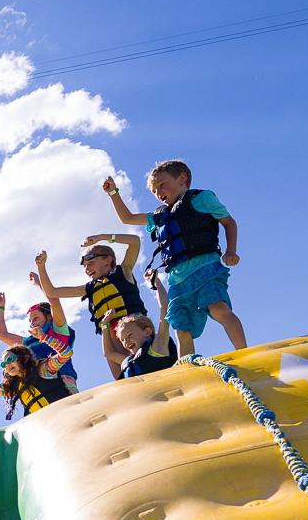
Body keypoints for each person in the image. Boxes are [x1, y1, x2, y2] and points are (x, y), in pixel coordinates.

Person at [101, 160, 247, 355]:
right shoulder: (159, 215)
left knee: (218, 308)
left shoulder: (201, 198)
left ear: (182, 179)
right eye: (154, 191)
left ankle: (244, 351)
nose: (158, 192)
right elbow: (128, 218)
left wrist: (231, 250)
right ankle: (187, 365)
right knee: (181, 327)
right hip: (177, 279)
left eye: (162, 185)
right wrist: (113, 193)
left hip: (206, 267)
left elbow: (229, 222)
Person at [33, 238, 147, 347]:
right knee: (118, 358)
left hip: (134, 326)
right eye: (84, 266)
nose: (87, 269)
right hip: (113, 336)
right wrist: (41, 267)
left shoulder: (124, 272)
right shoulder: (90, 288)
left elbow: (135, 242)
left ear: (108, 260)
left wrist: (101, 238)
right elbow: (52, 292)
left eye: (91, 263)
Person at [0, 289, 78, 391]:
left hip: (64, 379)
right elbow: (2, 335)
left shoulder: (58, 330)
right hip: (40, 384)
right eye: (30, 321)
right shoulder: (28, 342)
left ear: (49, 316)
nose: (32, 323)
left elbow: (54, 302)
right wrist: (0, 307)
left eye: (36, 318)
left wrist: (40, 284)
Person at [108, 267, 177, 380]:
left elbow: (165, 308)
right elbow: (109, 353)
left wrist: (156, 281)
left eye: (129, 335)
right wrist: (104, 325)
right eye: (122, 340)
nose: (126, 342)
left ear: (147, 332)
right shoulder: (129, 361)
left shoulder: (157, 347)